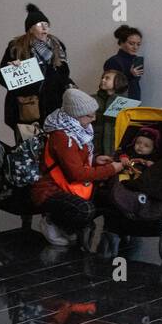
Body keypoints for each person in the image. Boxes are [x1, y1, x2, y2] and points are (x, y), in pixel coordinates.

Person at [31, 88, 125, 247]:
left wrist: (95, 160)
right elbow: (77, 173)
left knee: (104, 199)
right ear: (76, 115)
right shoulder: (62, 136)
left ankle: (67, 226)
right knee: (85, 210)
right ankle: (51, 221)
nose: (94, 119)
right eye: (90, 115)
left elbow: (73, 160)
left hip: (66, 185)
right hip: (50, 189)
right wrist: (112, 169)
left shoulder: (73, 129)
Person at [0, 3, 72, 140]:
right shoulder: (17, 48)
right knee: (29, 150)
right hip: (27, 108)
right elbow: (3, 78)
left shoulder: (57, 46)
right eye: (39, 24)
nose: (44, 27)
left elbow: (64, 74)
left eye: (46, 24)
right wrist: (13, 69)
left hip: (54, 107)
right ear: (30, 29)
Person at [92, 68, 129, 158]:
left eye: (107, 78)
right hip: (96, 141)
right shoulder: (92, 99)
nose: (103, 80)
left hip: (115, 143)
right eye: (102, 78)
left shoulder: (125, 102)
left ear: (118, 82)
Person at [104, 25, 144, 102]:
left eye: (138, 44)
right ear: (121, 43)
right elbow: (111, 85)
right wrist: (130, 75)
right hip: (119, 102)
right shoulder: (113, 61)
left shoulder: (136, 59)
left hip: (134, 99)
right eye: (131, 43)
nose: (135, 47)